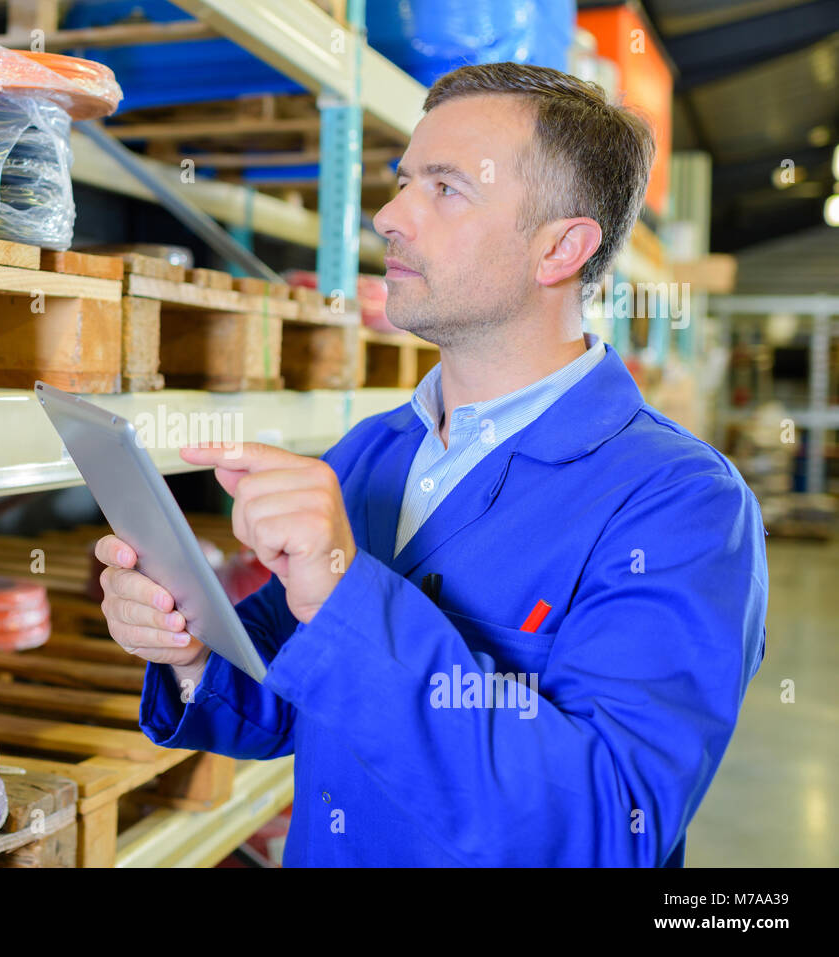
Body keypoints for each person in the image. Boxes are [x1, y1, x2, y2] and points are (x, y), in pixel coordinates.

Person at [94, 62, 768, 866]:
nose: (388, 216)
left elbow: (606, 827)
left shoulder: (682, 506)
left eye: (446, 188)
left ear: (561, 246)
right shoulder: (375, 450)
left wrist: (348, 596)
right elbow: (285, 699)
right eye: (403, 180)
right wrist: (191, 650)